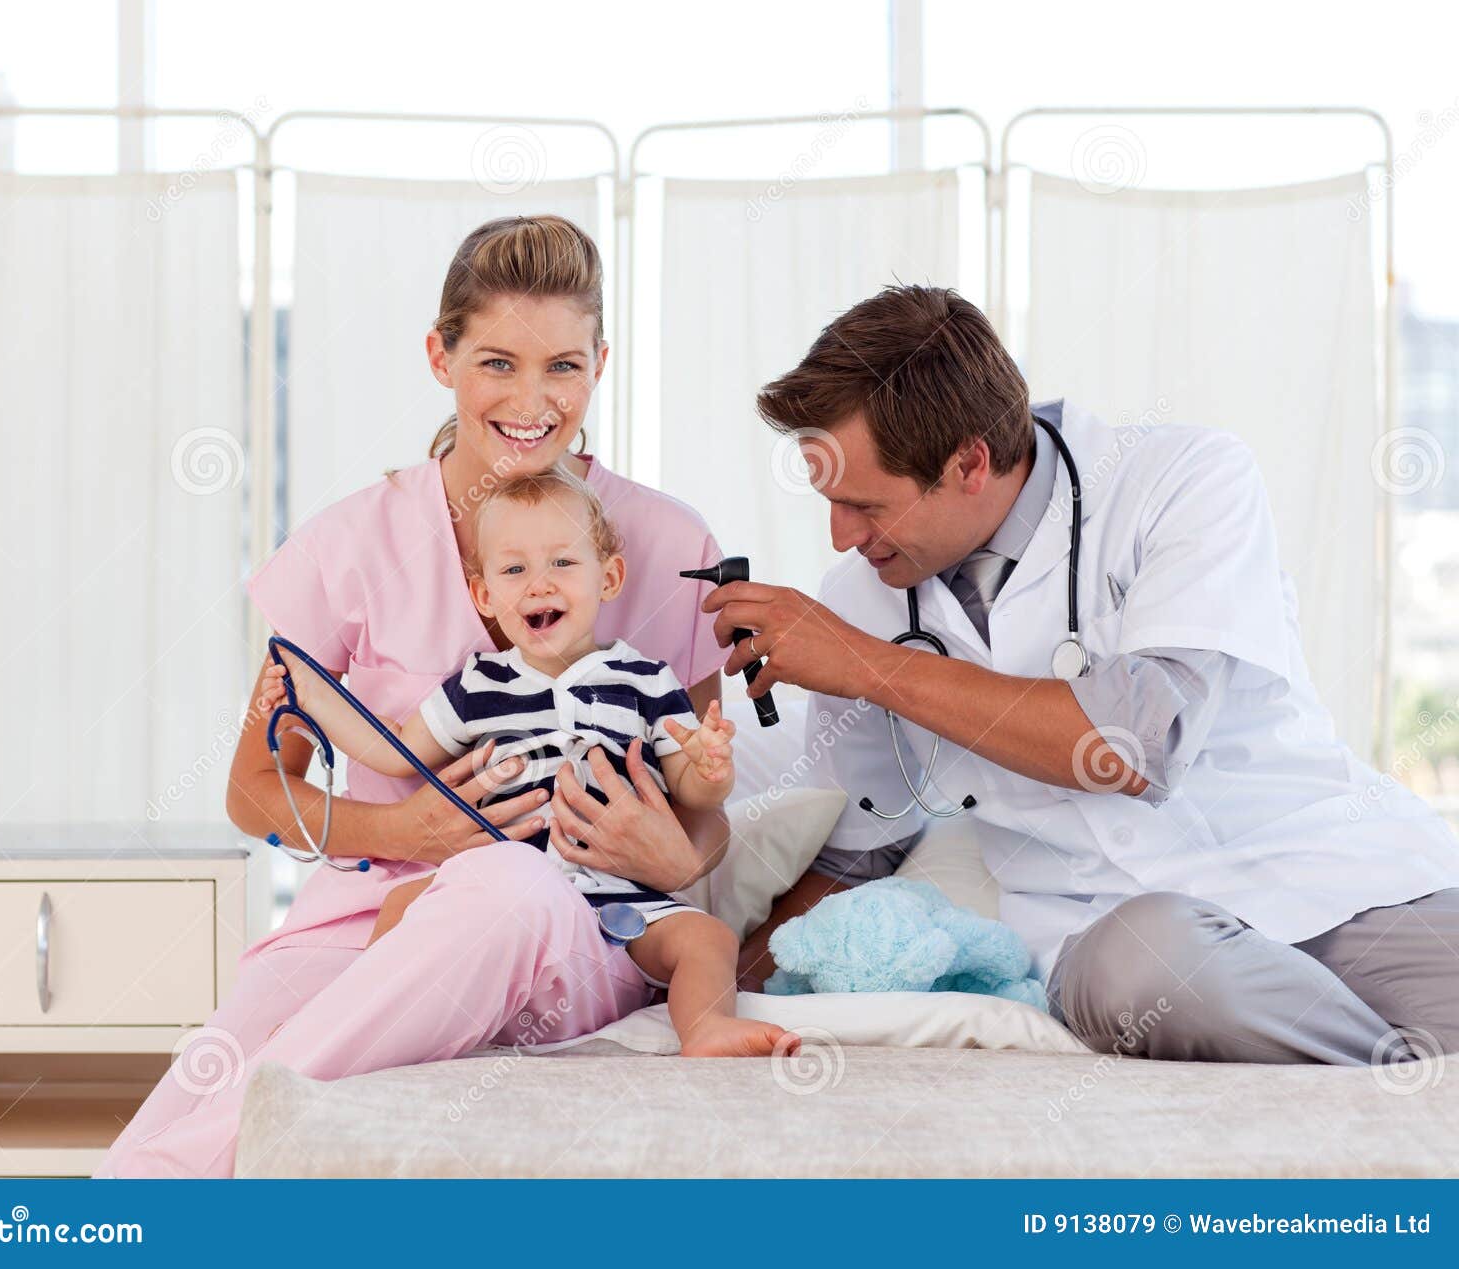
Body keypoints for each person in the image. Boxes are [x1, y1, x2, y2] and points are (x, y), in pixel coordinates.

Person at [94, 215, 735, 1179]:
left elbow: (708, 804)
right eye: (496, 363)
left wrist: (676, 850)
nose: (532, 400)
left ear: (601, 362)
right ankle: (133, 1196)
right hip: (374, 913)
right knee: (189, 1093)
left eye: (563, 365)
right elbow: (256, 794)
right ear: (440, 358)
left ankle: (212, 1165)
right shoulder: (350, 543)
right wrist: (413, 837)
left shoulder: (667, 541)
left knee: (509, 888)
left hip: (578, 922)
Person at [712, 283, 1459, 1065]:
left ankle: (1396, 1090)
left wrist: (867, 665)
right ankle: (1405, 1090)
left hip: (1333, 875)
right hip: (1116, 932)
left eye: (865, 505)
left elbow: (1132, 747)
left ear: (970, 460)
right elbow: (858, 856)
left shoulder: (1183, 480)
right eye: (830, 503)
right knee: (1141, 967)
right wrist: (710, 984)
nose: (840, 538)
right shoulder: (858, 602)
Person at [258, 464, 793, 1058]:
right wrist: (312, 696)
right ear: (485, 595)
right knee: (405, 907)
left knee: (707, 939)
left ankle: (706, 1028)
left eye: (563, 563)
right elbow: (392, 751)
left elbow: (691, 792)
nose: (539, 585)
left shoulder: (645, 680)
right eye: (515, 570)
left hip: (620, 901)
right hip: (498, 896)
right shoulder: (475, 686)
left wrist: (710, 768)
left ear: (608, 576)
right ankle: (335, 1022)